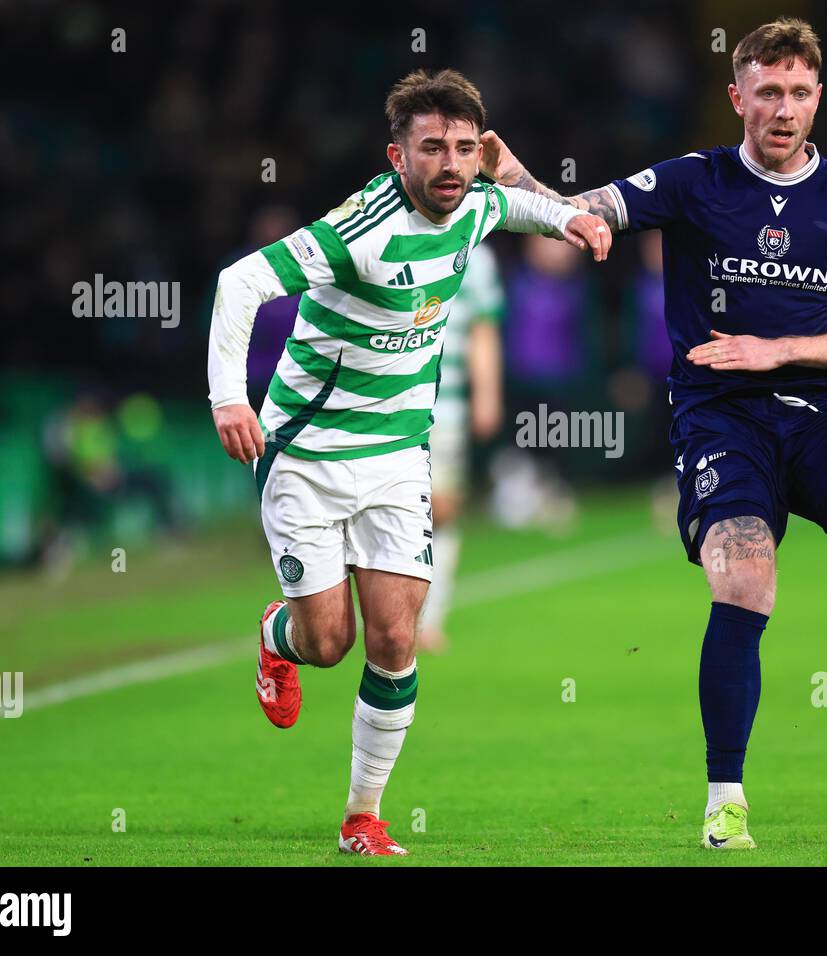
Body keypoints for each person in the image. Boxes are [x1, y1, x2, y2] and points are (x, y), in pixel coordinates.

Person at [480, 17, 827, 848]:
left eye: (799, 92)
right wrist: (516, 182)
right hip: (721, 417)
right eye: (768, 92)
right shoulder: (694, 181)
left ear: (818, 98)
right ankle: (725, 796)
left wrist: (780, 349)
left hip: (821, 410)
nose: (784, 108)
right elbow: (589, 218)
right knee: (745, 578)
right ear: (738, 98)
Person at [206, 69, 611, 856]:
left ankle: (363, 816)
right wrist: (230, 397)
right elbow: (241, 281)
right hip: (308, 455)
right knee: (330, 644)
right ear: (397, 155)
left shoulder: (473, 206)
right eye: (432, 148)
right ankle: (276, 635)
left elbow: (511, 203)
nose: (451, 163)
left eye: (464, 147)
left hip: (397, 457)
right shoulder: (358, 233)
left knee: (394, 638)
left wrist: (568, 222)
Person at [417, 241, 505, 653]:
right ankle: (388, 613)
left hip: (447, 404)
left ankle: (428, 619)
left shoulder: (477, 255)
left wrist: (487, 393)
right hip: (389, 402)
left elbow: (482, 328)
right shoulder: (391, 235)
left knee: (443, 509)